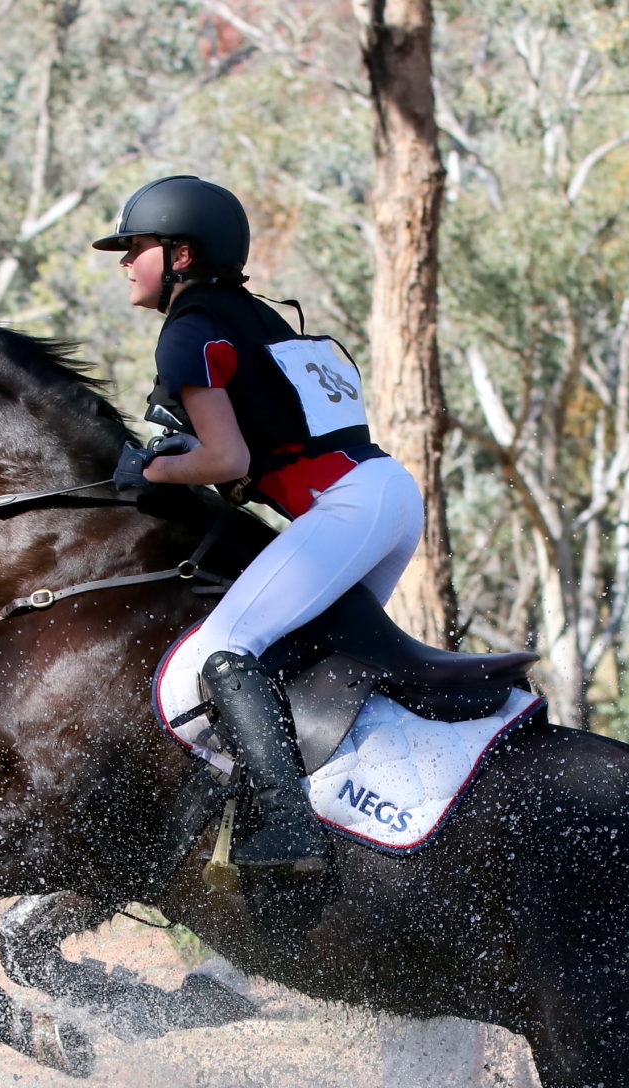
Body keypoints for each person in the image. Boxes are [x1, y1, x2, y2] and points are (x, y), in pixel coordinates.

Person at [93, 175, 425, 876]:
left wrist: (146, 473)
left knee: (225, 646)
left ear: (180, 255)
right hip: (387, 494)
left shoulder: (189, 327)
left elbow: (227, 456)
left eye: (136, 247)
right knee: (307, 658)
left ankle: (287, 829)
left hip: (347, 505)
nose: (125, 262)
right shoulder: (255, 314)